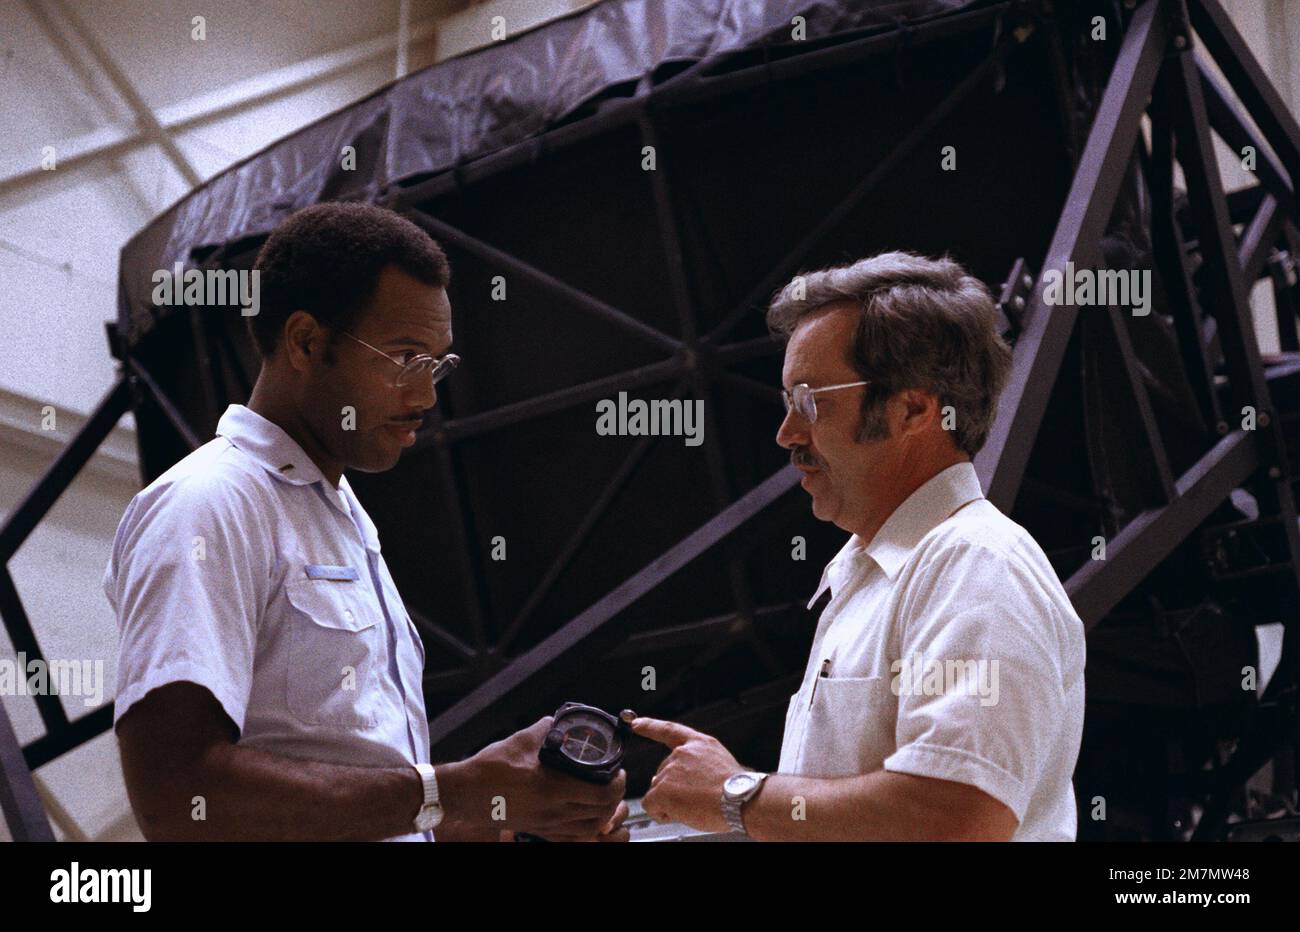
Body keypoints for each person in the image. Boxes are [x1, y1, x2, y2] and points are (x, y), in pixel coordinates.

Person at [105, 202, 627, 841]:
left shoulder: (341, 516)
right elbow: (176, 798)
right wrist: (452, 791)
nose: (427, 396)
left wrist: (508, 817)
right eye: (407, 357)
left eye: (439, 364)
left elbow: (376, 806)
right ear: (305, 341)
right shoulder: (208, 503)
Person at [633, 251, 1086, 841]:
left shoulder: (975, 562)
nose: (787, 432)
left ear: (914, 409)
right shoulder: (876, 574)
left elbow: (960, 819)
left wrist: (734, 793)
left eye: (811, 401)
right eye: (787, 401)